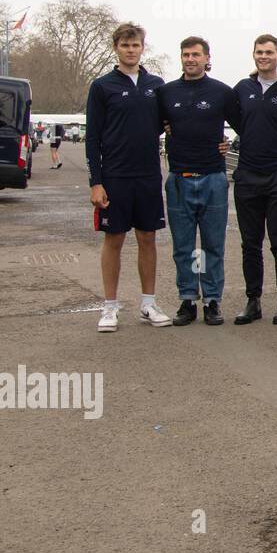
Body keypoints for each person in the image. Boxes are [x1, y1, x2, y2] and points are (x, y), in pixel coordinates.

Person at [85, 22, 172, 331]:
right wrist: (96, 182)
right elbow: (92, 137)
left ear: (142, 48)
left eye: (135, 45)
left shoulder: (157, 85)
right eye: (125, 45)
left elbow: (168, 123)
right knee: (114, 239)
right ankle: (109, 307)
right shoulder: (102, 86)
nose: (130, 50)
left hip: (148, 175)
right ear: (116, 48)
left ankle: (148, 304)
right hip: (115, 177)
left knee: (148, 238)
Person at [158, 36, 242, 326]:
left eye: (196, 55)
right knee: (183, 246)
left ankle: (212, 300)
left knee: (211, 246)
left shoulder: (221, 92)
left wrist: (230, 143)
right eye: (185, 55)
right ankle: (187, 299)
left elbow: (246, 124)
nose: (190, 59)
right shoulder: (166, 93)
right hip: (179, 178)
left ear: (207, 58)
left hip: (213, 179)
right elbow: (153, 124)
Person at [231, 34, 277, 326]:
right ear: (253, 55)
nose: (264, 56)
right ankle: (253, 300)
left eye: (269, 52)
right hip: (248, 175)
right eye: (259, 52)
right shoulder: (242, 89)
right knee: (250, 242)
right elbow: (230, 120)